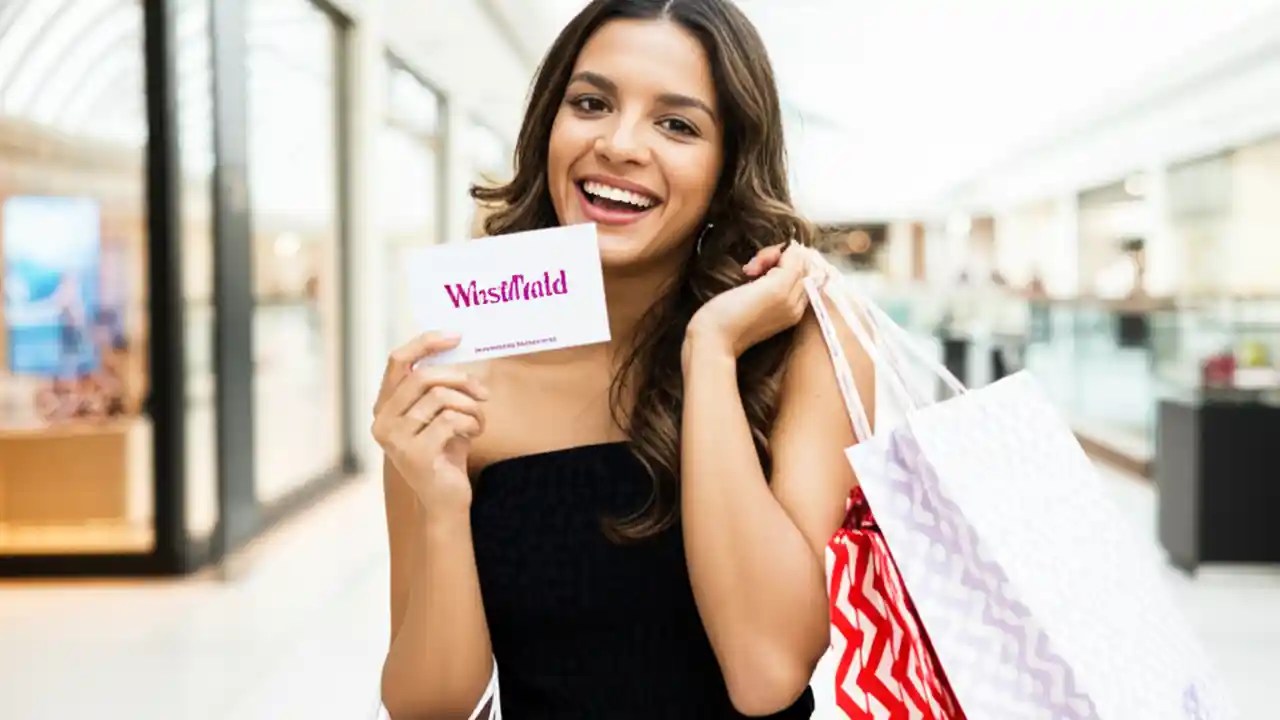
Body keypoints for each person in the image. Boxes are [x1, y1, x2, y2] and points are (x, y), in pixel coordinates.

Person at [372, 1, 874, 717]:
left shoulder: (802, 344)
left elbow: (768, 673)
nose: (619, 143)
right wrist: (442, 505)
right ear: (549, 121)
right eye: (591, 103)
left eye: (677, 124)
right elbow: (429, 707)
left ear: (730, 162)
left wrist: (711, 352)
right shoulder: (463, 368)